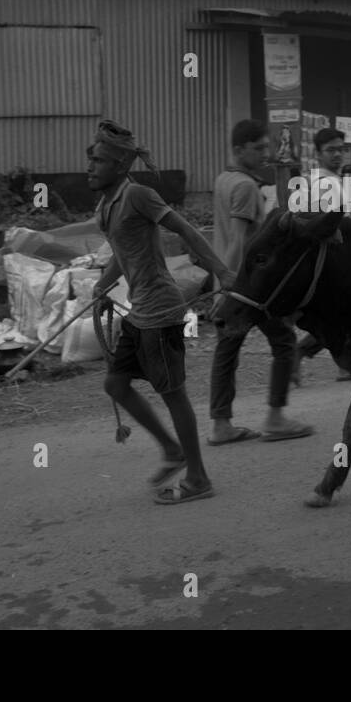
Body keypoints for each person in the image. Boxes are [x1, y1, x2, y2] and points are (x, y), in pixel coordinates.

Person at [88, 120, 236, 505]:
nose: (91, 166)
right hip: (140, 311)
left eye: (100, 160)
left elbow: (187, 231)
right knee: (115, 384)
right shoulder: (106, 207)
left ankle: (199, 477)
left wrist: (222, 272)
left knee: (174, 394)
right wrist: (102, 285)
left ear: (120, 165)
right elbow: (125, 256)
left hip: (163, 310)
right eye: (91, 159)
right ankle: (172, 451)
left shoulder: (139, 194)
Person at [208, 120, 314, 444]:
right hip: (249, 288)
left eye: (267, 147)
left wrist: (218, 284)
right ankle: (276, 417)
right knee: (284, 344)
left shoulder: (224, 180)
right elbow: (238, 242)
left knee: (226, 352)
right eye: (259, 148)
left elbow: (222, 236)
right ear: (240, 149)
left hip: (231, 285)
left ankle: (221, 424)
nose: (266, 154)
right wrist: (229, 288)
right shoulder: (245, 187)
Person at [293, 128, 351, 382]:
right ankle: (343, 364)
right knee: (340, 313)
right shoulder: (323, 183)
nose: (338, 154)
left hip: (336, 256)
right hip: (330, 257)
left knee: (338, 314)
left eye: (341, 149)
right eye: (331, 150)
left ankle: (309, 354)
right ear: (317, 154)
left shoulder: (334, 179)